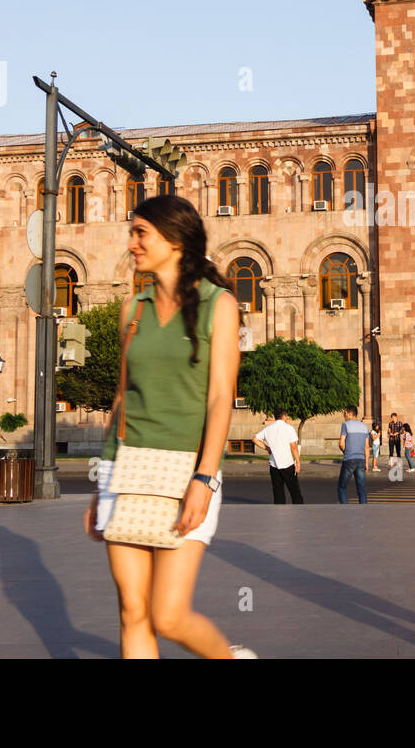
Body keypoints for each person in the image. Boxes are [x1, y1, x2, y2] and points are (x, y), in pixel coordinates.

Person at [85, 194, 254, 659]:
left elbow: (221, 397)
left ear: (175, 240)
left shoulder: (218, 304)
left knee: (168, 615)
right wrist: (103, 480)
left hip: (186, 472)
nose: (132, 243)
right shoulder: (132, 311)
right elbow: (121, 399)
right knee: (131, 613)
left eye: (141, 233)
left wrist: (205, 477)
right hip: (129, 471)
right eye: (132, 232)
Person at [253, 409, 303, 505]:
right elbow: (294, 447)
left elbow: (255, 439)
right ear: (284, 416)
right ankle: (299, 509)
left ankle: (279, 512)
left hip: (274, 465)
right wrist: (298, 462)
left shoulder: (268, 429)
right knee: (294, 491)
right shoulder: (288, 428)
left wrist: (267, 448)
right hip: (287, 463)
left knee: (278, 492)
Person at [338, 406, 368, 504]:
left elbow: (341, 443)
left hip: (349, 460)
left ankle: (346, 511)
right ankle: (364, 512)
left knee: (341, 488)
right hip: (361, 460)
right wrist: (367, 463)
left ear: (347, 412)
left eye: (344, 413)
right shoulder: (364, 427)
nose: (344, 416)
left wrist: (346, 452)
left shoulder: (345, 425)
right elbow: (367, 447)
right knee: (361, 489)